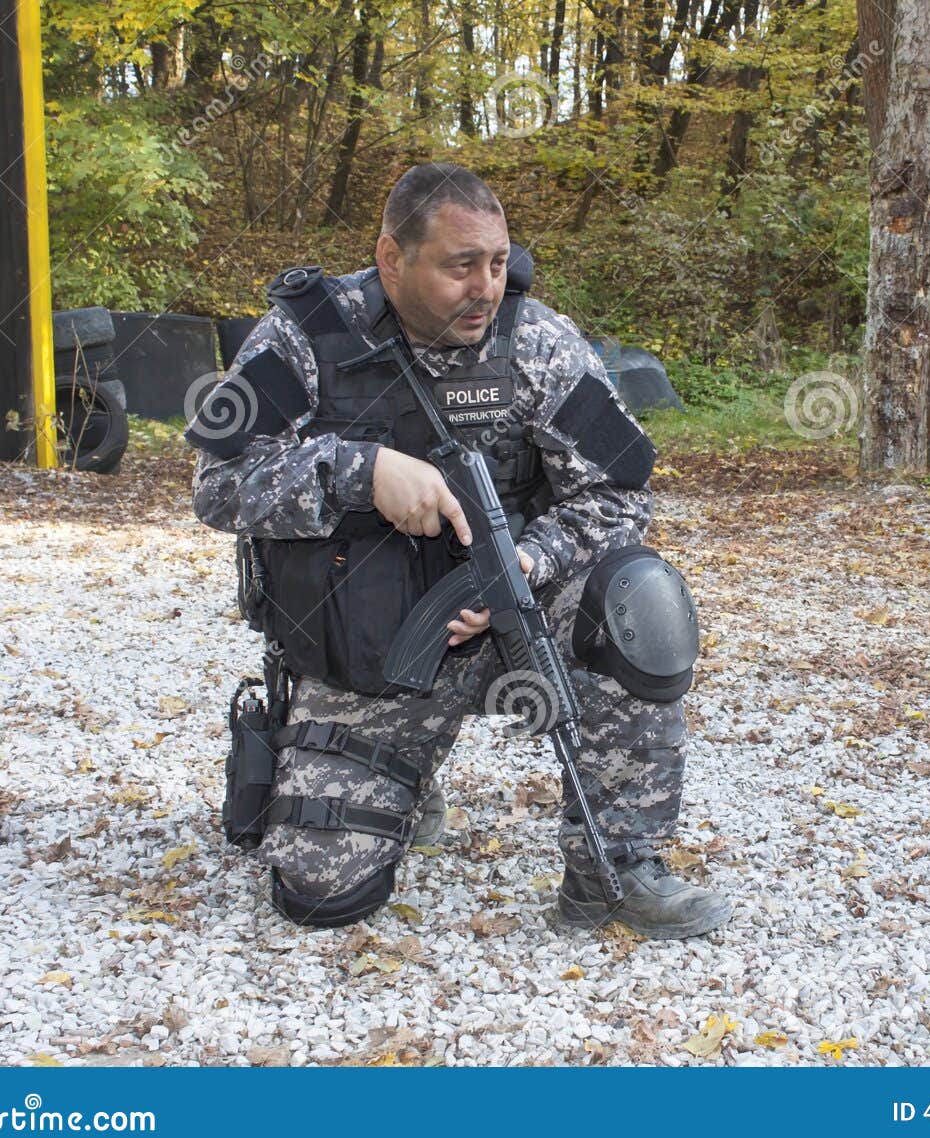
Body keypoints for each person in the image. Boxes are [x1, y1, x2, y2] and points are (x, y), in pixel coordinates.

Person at [188, 162, 732, 940]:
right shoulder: (309, 337)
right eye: (459, 265)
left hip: (514, 621)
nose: (485, 286)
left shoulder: (534, 341)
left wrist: (524, 565)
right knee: (319, 895)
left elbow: (621, 491)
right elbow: (216, 481)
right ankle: (401, 776)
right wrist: (360, 472)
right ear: (391, 259)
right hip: (372, 649)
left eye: (498, 262)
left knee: (643, 600)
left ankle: (615, 867)